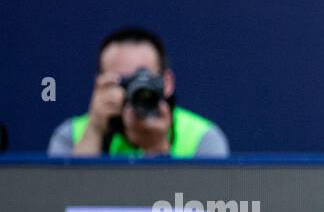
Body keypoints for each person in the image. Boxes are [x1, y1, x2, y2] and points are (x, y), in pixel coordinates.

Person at [48, 27, 228, 158]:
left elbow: (196, 207)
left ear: (167, 83)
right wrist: (95, 130)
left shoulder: (203, 138)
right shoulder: (71, 135)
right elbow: (62, 203)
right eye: (123, 82)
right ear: (99, 85)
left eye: (144, 80)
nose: (135, 91)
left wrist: (157, 147)